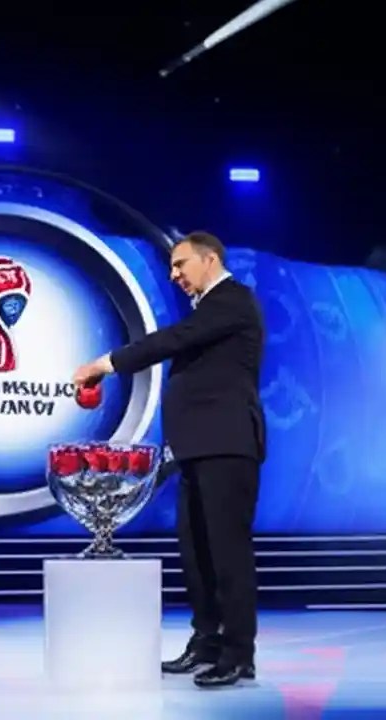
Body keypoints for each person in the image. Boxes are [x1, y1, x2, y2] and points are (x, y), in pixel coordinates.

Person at [72, 230, 266, 688]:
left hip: (227, 446)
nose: (174, 274)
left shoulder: (233, 300)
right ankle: (206, 644)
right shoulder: (210, 313)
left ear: (210, 259)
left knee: (227, 553)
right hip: (196, 450)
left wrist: (104, 365)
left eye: (180, 264)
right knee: (197, 552)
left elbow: (172, 340)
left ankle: (239, 654)